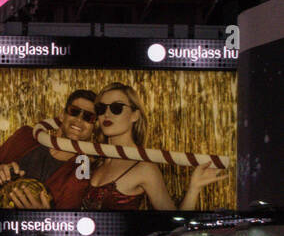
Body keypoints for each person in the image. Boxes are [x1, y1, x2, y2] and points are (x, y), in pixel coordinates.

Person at [81, 83, 228, 211]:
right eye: (101, 108)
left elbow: (172, 225)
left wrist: (194, 188)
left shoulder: (145, 167)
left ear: (135, 115)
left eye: (116, 107)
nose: (107, 114)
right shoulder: (94, 160)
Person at [0, 90, 100, 209]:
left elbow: (69, 219)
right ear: (62, 115)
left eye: (88, 117)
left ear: (94, 126)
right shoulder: (26, 136)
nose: (79, 119)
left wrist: (42, 216)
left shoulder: (83, 168)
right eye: (74, 111)